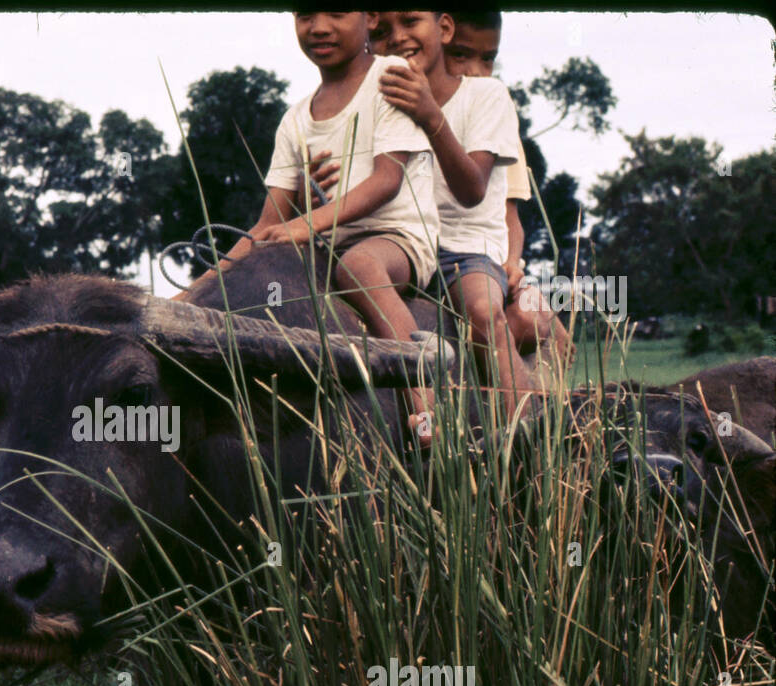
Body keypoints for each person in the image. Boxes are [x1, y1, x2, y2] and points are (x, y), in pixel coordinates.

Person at [178, 11, 440, 445]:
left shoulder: (388, 78)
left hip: (395, 237)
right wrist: (194, 293)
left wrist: (305, 224)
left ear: (370, 17)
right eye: (305, 14)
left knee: (359, 268)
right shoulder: (295, 119)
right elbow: (268, 225)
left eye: (336, 11)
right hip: (325, 244)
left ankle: (423, 403)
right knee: (266, 271)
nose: (318, 27)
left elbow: (386, 180)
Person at [369, 10, 540, 417]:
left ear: (443, 29)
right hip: (399, 244)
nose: (396, 39)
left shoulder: (486, 95)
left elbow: (472, 190)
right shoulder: (375, 99)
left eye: (410, 23)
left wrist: (431, 117)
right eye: (380, 32)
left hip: (463, 250)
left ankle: (525, 433)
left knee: (483, 312)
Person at [441, 9, 574, 370]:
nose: (476, 71)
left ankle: (519, 399)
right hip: (436, 255)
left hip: (483, 262)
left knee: (532, 320)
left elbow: (509, 216)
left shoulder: (495, 116)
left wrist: (512, 265)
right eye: (460, 55)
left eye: (488, 59)